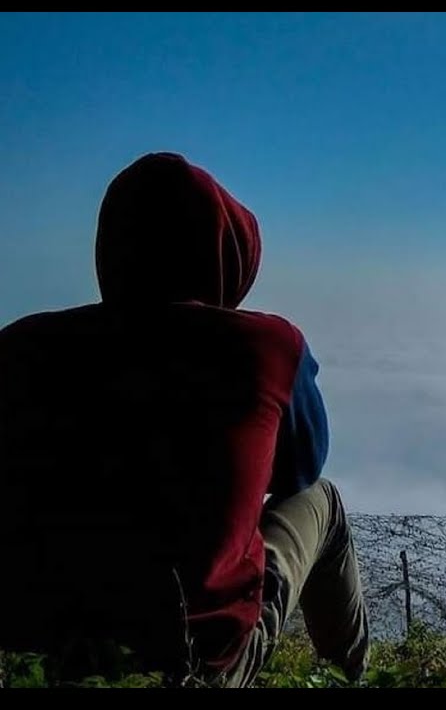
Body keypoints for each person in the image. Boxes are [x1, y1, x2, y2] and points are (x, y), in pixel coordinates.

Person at [0, 152, 369, 687]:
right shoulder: (267, 349)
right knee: (324, 501)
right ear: (227, 253)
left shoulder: (20, 346)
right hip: (195, 660)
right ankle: (354, 675)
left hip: (38, 653)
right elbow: (300, 470)